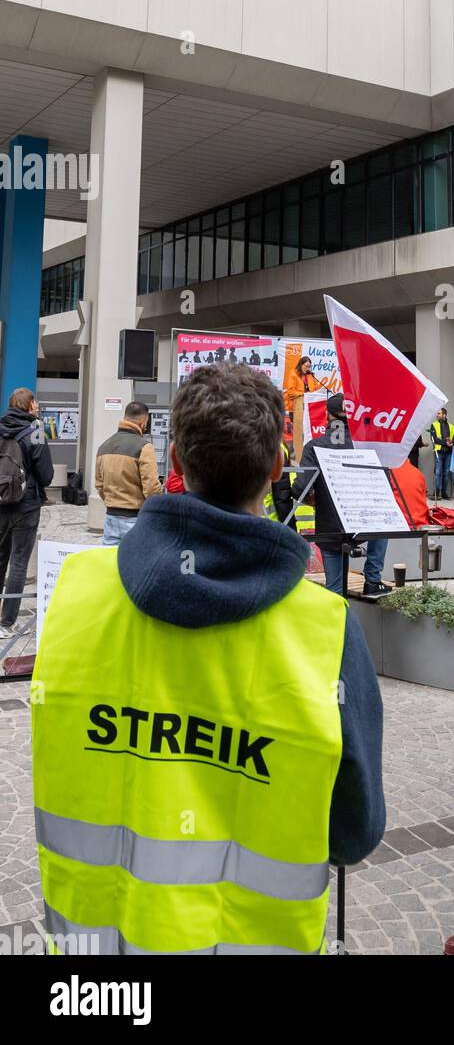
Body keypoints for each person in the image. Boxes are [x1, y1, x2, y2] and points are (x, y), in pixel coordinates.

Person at [32, 364, 385, 955]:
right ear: (277, 468)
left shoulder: (75, 591)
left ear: (173, 462)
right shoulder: (325, 629)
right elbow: (354, 834)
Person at [295, 393, 391, 598]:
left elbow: (300, 488)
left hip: (330, 528)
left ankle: (337, 618)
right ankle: (373, 580)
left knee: (335, 593)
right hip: (364, 524)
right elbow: (384, 489)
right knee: (384, 523)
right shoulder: (367, 444)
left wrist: (312, 500)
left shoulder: (314, 446)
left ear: (328, 416)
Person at [0, 389, 54, 636]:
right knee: (19, 562)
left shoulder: (1, 428)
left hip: (1, 501)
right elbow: (46, 476)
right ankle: (7, 622)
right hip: (26, 505)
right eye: (36, 403)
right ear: (30, 405)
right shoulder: (35, 432)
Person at [95, 401, 162, 545]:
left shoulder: (103, 447)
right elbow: (151, 488)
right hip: (135, 518)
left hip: (111, 517)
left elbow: (99, 485)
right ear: (143, 421)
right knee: (136, 564)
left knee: (111, 564)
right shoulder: (144, 447)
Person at [429, 407, 454, 500]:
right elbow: (434, 438)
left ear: (444, 415)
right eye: (437, 413)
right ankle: (437, 493)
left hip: (448, 452)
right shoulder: (433, 425)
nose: (437, 415)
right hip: (439, 452)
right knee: (438, 472)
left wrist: (452, 443)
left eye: (439, 413)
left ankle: (444, 492)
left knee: (446, 472)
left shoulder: (452, 426)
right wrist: (445, 443)